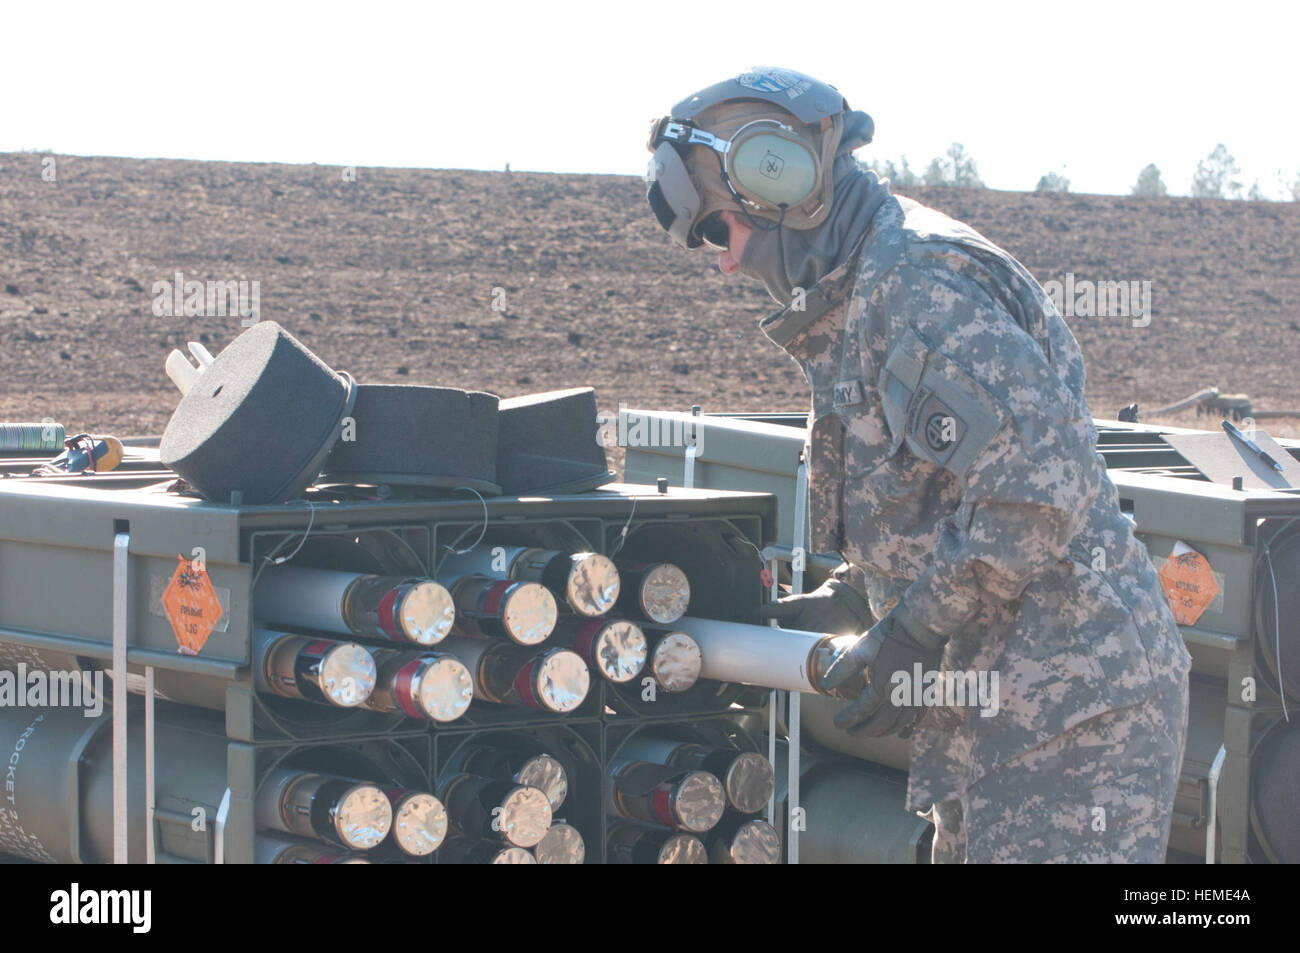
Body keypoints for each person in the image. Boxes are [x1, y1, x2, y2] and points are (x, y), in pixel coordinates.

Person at [645, 67, 1192, 863]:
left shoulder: (917, 284)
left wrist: (910, 628)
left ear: (778, 188)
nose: (724, 263)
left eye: (718, 231)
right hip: (1003, 718)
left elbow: (1037, 488)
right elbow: (935, 493)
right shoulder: (864, 288)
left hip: (1074, 717)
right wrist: (852, 599)